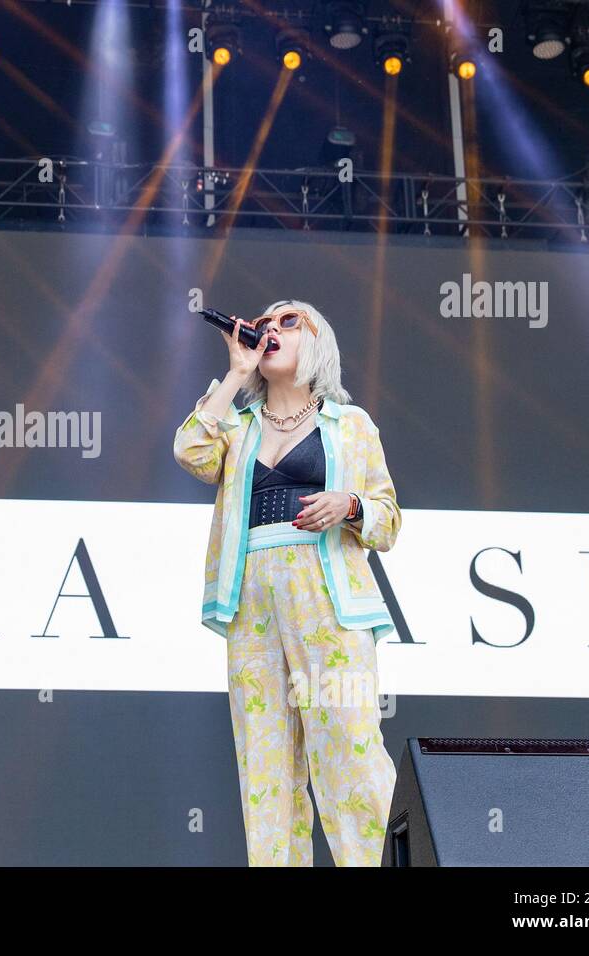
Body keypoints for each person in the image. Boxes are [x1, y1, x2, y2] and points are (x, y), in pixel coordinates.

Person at [172, 299, 401, 866]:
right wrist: (237, 372)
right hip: (252, 598)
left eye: (288, 321)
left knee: (349, 753)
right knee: (266, 767)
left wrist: (348, 504)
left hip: (326, 597)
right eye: (265, 323)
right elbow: (189, 451)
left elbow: (388, 518)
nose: (271, 328)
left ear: (317, 341)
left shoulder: (350, 425)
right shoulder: (238, 424)